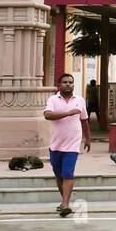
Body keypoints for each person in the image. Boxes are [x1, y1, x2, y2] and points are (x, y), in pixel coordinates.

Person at [43, 73, 91, 217]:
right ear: (59, 85)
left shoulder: (80, 100)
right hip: (56, 145)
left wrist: (88, 138)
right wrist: (68, 113)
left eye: (70, 82)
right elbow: (47, 115)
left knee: (67, 173)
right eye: (65, 82)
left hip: (72, 145)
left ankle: (65, 204)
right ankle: (63, 201)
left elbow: (84, 120)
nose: (68, 84)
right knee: (59, 175)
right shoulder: (53, 99)